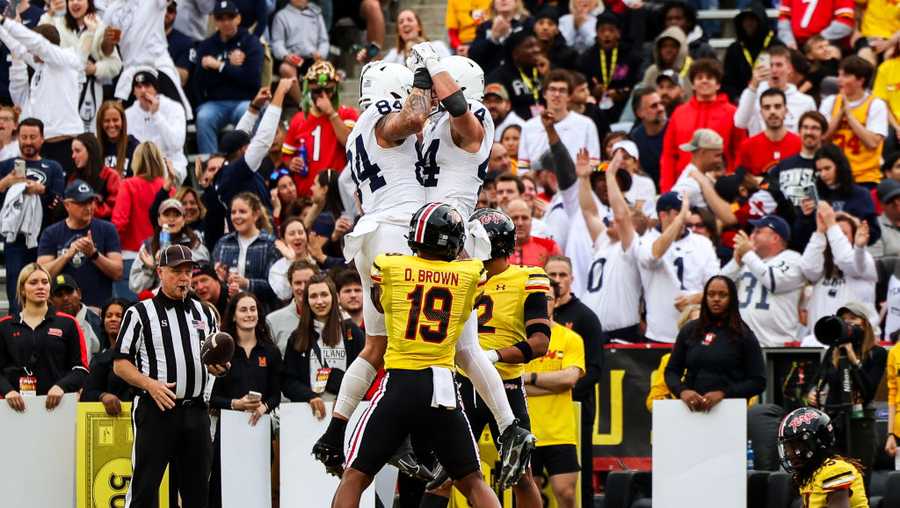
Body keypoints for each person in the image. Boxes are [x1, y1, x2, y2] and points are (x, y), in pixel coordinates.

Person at [330, 202, 504, 508]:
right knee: (472, 480)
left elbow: (380, 304)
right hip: (443, 388)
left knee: (355, 475)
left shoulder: (389, 266)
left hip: (400, 383)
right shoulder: (470, 273)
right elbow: (470, 291)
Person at [112, 245, 226, 508]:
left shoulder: (205, 312)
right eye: (176, 271)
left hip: (196, 410)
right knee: (144, 489)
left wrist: (218, 366)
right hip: (157, 410)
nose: (184, 278)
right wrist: (150, 384)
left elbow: (210, 359)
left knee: (198, 493)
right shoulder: (139, 312)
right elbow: (120, 364)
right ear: (160, 272)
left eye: (188, 271)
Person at [208, 291, 282, 508]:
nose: (249, 314)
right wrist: (235, 404)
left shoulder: (270, 351)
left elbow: (276, 393)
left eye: (253, 309)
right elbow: (211, 397)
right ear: (233, 315)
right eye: (243, 310)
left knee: (257, 487)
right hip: (228, 431)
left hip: (260, 428)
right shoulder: (222, 352)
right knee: (223, 489)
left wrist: (264, 407)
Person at [202, 79, 294, 248]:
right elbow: (263, 140)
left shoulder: (228, 170)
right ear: (243, 150)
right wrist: (280, 92)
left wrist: (254, 108)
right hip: (255, 246)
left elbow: (238, 135)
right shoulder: (234, 173)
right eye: (247, 146)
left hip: (257, 241)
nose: (250, 147)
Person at [543, 255, 602, 506]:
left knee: (577, 479)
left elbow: (595, 369)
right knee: (529, 482)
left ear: (572, 278)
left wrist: (562, 390)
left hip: (575, 409)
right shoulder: (528, 320)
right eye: (552, 275)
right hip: (537, 414)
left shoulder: (586, 317)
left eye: (562, 275)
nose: (557, 280)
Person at [0, 15, 88, 173]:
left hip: (65, 145)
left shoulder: (63, 63)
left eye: (32, 46)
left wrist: (4, 21)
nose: (28, 50)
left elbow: (35, 43)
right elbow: (18, 48)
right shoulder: (42, 67)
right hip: (43, 145)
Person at [523, 282, 585, 508]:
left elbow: (569, 379)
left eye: (548, 298)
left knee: (566, 493)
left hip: (560, 432)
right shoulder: (516, 337)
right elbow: (512, 384)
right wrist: (553, 384)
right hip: (525, 430)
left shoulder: (570, 338)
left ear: (557, 302)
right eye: (537, 298)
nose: (543, 302)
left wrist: (530, 378)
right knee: (530, 494)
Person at [665, 275, 766, 412]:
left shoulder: (744, 335)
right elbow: (671, 371)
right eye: (711, 294)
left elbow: (758, 381)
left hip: (730, 411)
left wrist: (724, 393)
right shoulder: (689, 330)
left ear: (732, 299)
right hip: (691, 410)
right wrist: (682, 391)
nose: (716, 299)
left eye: (722, 295)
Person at [808, 303, 886, 473]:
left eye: (853, 318)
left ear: (865, 323)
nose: (848, 323)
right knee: (832, 476)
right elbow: (817, 379)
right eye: (844, 320)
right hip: (833, 421)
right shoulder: (833, 351)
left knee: (859, 475)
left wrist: (853, 360)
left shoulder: (877, 353)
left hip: (860, 423)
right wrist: (812, 392)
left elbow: (869, 391)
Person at [0, 263, 88, 412]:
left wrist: (62, 386)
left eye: (45, 282)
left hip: (58, 407)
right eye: (33, 282)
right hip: (12, 409)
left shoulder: (68, 323)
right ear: (22, 289)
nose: (40, 286)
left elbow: (81, 369)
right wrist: (8, 391)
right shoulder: (4, 325)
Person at [0, 117, 66, 315]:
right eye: (24, 137)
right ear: (18, 138)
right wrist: (7, 182)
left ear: (42, 138)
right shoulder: (6, 166)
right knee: (16, 288)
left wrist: (42, 190)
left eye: (33, 137)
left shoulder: (53, 167)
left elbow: (60, 202)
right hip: (15, 239)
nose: (28, 142)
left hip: (45, 238)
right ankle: (15, 326)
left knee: (44, 287)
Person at [638, 192, 720, 343]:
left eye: (685, 213)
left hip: (697, 332)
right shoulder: (645, 241)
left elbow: (716, 287)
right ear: (663, 215)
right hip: (660, 334)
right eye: (678, 213)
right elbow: (654, 255)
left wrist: (693, 299)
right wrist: (680, 219)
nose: (684, 219)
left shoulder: (703, 243)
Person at [659, 58, 746, 192]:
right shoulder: (679, 113)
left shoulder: (732, 113)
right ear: (693, 84)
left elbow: (740, 151)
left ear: (718, 84)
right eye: (699, 77)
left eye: (709, 77)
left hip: (721, 186)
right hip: (684, 185)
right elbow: (669, 155)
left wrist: (732, 183)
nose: (704, 81)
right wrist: (667, 189)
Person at [282, 273, 364, 412]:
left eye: (324, 295)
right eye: (313, 296)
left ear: (335, 297)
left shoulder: (352, 332)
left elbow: (364, 375)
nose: (319, 301)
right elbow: (288, 381)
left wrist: (345, 397)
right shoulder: (297, 336)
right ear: (307, 301)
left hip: (347, 410)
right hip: (308, 412)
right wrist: (309, 397)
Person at [192, 0, 263, 155]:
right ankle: (210, 165)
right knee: (203, 116)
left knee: (248, 112)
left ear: (238, 18)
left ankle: (248, 163)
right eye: (220, 18)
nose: (226, 22)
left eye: (230, 17)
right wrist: (232, 68)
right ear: (214, 20)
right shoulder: (207, 45)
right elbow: (199, 81)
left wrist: (219, 66)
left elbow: (252, 79)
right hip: (215, 103)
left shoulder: (250, 42)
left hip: (244, 101)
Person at [37, 180, 124, 308]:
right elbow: (41, 275)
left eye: (90, 202)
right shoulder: (51, 233)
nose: (88, 207)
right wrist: (67, 255)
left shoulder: (107, 229)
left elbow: (118, 273)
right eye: (82, 203)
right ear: (67, 205)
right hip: (63, 310)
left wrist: (94, 254)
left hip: (98, 308)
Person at [39, 0, 122, 134]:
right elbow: (39, 41)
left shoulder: (100, 26)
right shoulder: (57, 22)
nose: (75, 3)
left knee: (87, 136)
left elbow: (115, 64)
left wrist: (95, 69)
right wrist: (50, 13)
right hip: (60, 88)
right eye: (71, 0)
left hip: (90, 92)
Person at [722, 214, 805, 347]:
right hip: (741, 344)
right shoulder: (748, 261)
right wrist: (736, 261)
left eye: (758, 232)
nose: (752, 236)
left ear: (775, 238)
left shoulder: (793, 258)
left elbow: (773, 282)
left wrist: (747, 254)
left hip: (776, 345)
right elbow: (719, 286)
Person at [103, 0, 193, 119]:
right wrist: (108, 41)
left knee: (172, 116)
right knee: (128, 123)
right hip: (130, 72)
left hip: (158, 67)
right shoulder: (111, 10)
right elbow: (106, 51)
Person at [280, 61, 357, 197]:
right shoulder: (298, 119)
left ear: (335, 89)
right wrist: (291, 163)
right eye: (317, 91)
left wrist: (331, 113)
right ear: (309, 90)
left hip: (336, 198)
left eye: (328, 90)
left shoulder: (347, 114)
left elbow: (350, 143)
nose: (323, 95)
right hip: (305, 198)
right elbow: (286, 156)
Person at [802, 203, 877, 331]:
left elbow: (845, 260)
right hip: (820, 338)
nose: (835, 236)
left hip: (857, 338)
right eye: (833, 233)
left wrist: (832, 225)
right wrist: (820, 232)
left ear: (854, 237)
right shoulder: (824, 264)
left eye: (844, 233)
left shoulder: (863, 258)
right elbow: (808, 269)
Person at [110, 141, 168, 301]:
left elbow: (119, 223)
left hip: (131, 256)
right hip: (162, 257)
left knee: (130, 310)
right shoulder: (167, 187)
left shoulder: (128, 185)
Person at [777, 407, 869, 508]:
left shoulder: (834, 470)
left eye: (795, 446)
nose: (790, 454)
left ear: (816, 443)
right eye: (787, 448)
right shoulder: (813, 474)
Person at [820, 56, 887, 187]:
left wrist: (850, 117)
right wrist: (840, 113)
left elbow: (873, 142)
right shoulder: (830, 102)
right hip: (835, 176)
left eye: (845, 75)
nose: (839, 80)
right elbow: (822, 138)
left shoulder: (876, 104)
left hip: (865, 176)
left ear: (860, 80)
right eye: (839, 74)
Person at [765, 111, 828, 251]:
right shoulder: (784, 165)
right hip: (786, 238)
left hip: (818, 237)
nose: (809, 132)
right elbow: (767, 190)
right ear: (799, 131)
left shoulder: (828, 166)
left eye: (815, 128)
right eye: (805, 127)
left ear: (823, 134)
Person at [518, 69, 600, 173]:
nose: (557, 94)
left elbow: (594, 162)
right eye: (552, 89)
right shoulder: (528, 126)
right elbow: (522, 166)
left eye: (562, 90)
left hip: (576, 181)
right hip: (538, 182)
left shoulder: (586, 124)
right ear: (544, 94)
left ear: (569, 96)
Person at [212, 192, 282, 310]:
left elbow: (277, 287)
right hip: (229, 311)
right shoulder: (223, 243)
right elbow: (213, 281)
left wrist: (247, 283)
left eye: (242, 211)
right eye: (233, 212)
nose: (237, 216)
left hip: (261, 312)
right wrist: (219, 277)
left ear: (256, 214)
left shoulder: (270, 244)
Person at [130, 198, 210, 295]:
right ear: (159, 220)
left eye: (176, 215)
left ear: (184, 220)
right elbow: (135, 286)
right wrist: (150, 269)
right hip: (156, 300)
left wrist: (168, 263)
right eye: (166, 215)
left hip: (187, 298)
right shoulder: (149, 246)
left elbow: (202, 279)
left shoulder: (194, 244)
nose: (171, 219)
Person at [734, 45, 816, 136]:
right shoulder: (753, 95)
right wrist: (753, 86)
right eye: (770, 65)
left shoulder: (806, 101)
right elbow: (740, 123)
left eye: (779, 65)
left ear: (789, 68)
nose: (774, 70)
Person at [125, 69, 188, 185]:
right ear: (134, 91)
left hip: (171, 165)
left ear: (156, 89)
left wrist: (156, 114)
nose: (143, 90)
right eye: (138, 87)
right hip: (140, 170)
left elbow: (176, 144)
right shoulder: (127, 114)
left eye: (147, 86)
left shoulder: (174, 108)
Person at [721, 2, 783, 103]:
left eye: (752, 19)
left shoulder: (777, 46)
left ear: (761, 21)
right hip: (741, 101)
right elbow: (727, 83)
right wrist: (737, 99)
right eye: (745, 20)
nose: (748, 24)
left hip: (773, 101)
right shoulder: (735, 49)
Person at [81, 298, 134, 416]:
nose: (113, 319)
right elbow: (87, 394)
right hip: (113, 419)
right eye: (109, 316)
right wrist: (103, 396)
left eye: (119, 316)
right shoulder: (100, 359)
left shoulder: (141, 354)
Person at [736, 88, 802, 177]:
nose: (772, 111)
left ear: (786, 110)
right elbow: (740, 178)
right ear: (761, 112)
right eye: (767, 107)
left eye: (777, 106)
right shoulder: (747, 146)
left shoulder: (800, 144)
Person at [485, 26, 542, 120]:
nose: (537, 50)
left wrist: (548, 75)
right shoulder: (499, 77)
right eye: (529, 46)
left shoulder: (544, 70)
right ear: (515, 53)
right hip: (514, 125)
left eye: (537, 45)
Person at [266, 260, 319, 355]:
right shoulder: (273, 321)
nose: (303, 287)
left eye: (308, 282)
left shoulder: (332, 318)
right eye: (298, 283)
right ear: (291, 285)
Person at [50, 272, 103, 361]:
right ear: (51, 301)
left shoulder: (97, 323)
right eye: (59, 295)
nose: (65, 298)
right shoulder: (48, 324)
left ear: (79, 293)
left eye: (69, 292)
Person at [69, 133, 120, 220]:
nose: (73, 156)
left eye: (77, 151)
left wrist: (88, 208)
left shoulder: (111, 175)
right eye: (72, 151)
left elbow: (115, 207)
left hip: (104, 225)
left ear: (90, 151)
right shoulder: (73, 177)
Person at [270, 0, 329, 74]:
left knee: (324, 72)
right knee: (286, 69)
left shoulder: (316, 14)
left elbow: (324, 40)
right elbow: (277, 42)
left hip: (312, 58)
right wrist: (285, 55)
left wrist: (321, 53)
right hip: (292, 59)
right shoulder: (281, 15)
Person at [269, 216, 318, 302]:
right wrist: (292, 261)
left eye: (301, 232)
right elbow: (285, 295)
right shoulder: (277, 269)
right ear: (283, 240)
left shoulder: (317, 259)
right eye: (292, 234)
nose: (297, 237)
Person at [382, 9, 451, 66]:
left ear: (419, 27)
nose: (405, 24)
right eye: (401, 22)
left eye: (410, 20)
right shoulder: (394, 55)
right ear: (399, 32)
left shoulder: (438, 46)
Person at [507, 197, 562, 266]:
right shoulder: (496, 249)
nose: (520, 223)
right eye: (515, 218)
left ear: (531, 221)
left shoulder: (550, 247)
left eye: (525, 218)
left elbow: (560, 271)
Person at [777, 0, 854, 49]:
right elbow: (784, 18)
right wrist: (789, 42)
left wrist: (817, 40)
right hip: (794, 46)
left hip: (827, 45)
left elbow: (845, 24)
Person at [630, 87, 667, 186]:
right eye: (654, 106)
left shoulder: (676, 129)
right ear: (639, 113)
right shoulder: (635, 138)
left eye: (661, 103)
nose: (661, 108)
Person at [97, 101, 140, 178]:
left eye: (115, 120)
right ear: (101, 123)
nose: (111, 125)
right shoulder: (95, 147)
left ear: (122, 121)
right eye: (107, 121)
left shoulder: (134, 147)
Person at [872, 179, 900, 258]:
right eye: (891, 201)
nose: (897, 203)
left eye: (899, 198)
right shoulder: (875, 228)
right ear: (882, 205)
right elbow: (875, 262)